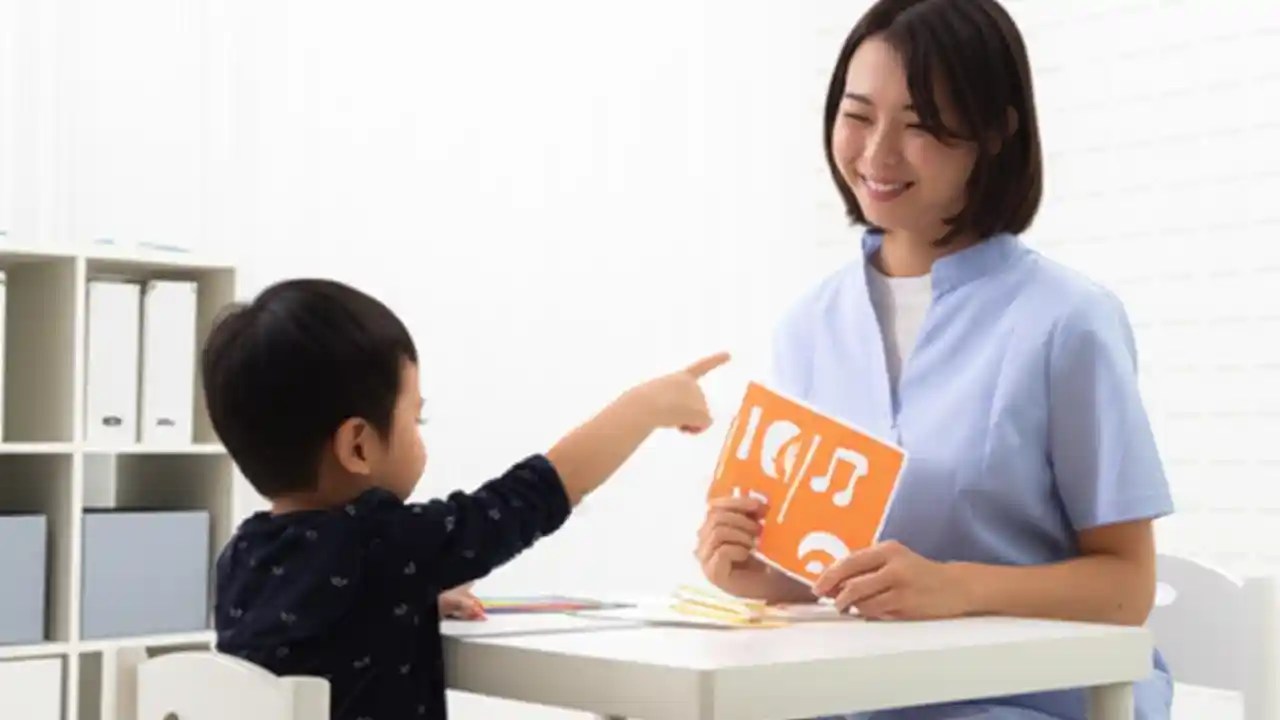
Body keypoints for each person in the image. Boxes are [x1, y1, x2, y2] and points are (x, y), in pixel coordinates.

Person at [694, 0, 1173, 718]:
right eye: (858, 116)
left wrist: (958, 587)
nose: (877, 153)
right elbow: (831, 572)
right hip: (871, 693)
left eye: (919, 125)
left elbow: (1126, 588)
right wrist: (754, 570)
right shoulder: (809, 327)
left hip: (1033, 698)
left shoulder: (1068, 321)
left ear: (995, 132)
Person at [204, 278, 728, 720]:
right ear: (358, 445)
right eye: (416, 418)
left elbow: (318, 629)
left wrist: (398, 602)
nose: (420, 434)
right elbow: (531, 497)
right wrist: (644, 408)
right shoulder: (381, 544)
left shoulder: (243, 557)